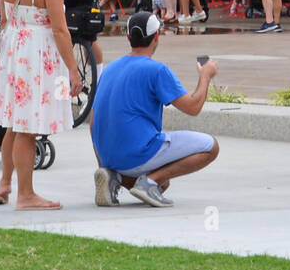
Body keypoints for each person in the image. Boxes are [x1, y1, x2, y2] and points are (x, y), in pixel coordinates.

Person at [0, 0, 82, 210]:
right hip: (37, 54)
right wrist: (73, 70)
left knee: (15, 124)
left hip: (15, 52)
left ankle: (5, 184)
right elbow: (60, 30)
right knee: (27, 127)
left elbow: (4, 21)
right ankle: (25, 195)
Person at [90, 11, 220, 207]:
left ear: (128, 37)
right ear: (156, 36)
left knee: (164, 184)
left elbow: (93, 123)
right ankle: (148, 182)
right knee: (211, 147)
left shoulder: (110, 68)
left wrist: (104, 163)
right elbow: (193, 108)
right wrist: (206, 76)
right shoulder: (156, 70)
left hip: (108, 157)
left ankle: (112, 176)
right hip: (138, 153)